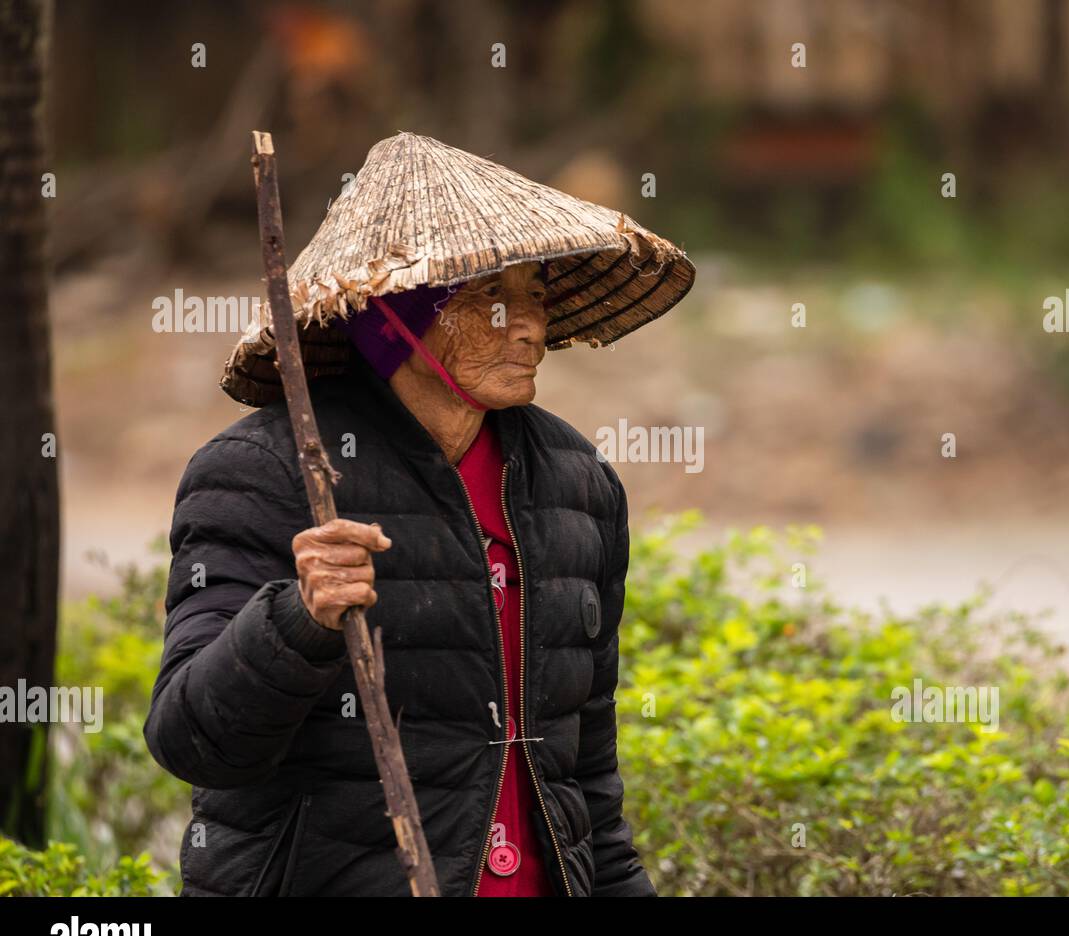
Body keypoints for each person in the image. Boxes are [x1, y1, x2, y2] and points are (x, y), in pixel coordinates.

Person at [142, 132, 694, 896]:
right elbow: (192, 740)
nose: (531, 326)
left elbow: (588, 780)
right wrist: (298, 620)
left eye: (536, 294)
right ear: (398, 317)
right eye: (493, 301)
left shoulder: (577, 483)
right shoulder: (265, 474)